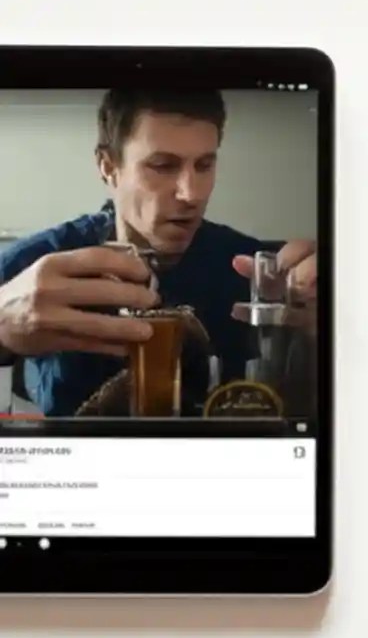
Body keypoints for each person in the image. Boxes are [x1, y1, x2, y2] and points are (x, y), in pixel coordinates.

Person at [0, 88, 318, 417]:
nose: (191, 193)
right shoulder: (32, 266)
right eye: (163, 166)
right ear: (109, 166)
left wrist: (327, 339)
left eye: (204, 165)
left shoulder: (262, 275)